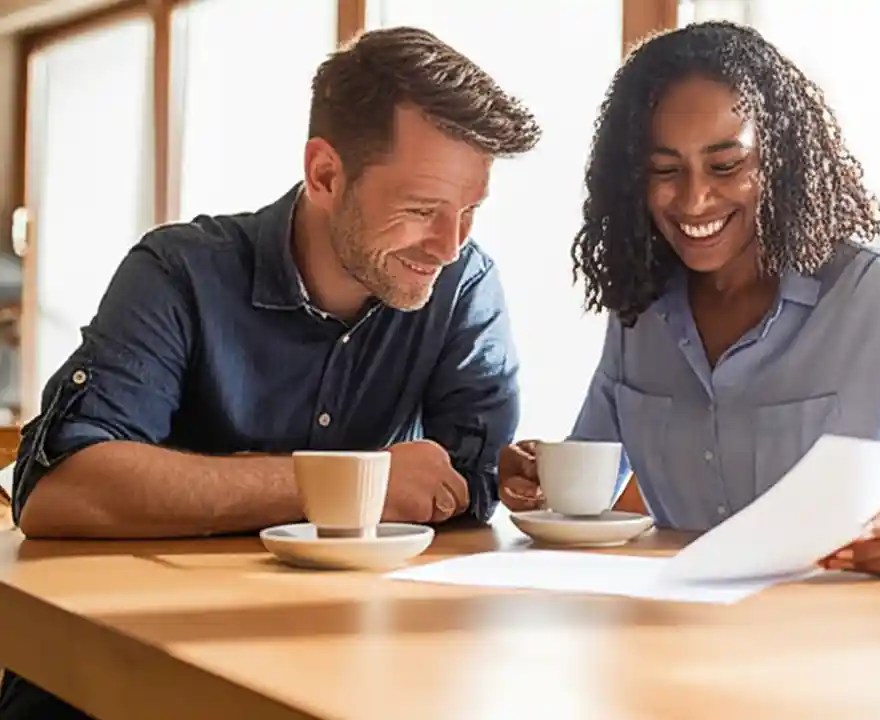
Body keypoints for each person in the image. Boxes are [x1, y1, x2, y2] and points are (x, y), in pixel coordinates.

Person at [1, 27, 538, 718]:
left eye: (469, 212)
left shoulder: (460, 285)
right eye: (421, 210)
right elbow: (60, 492)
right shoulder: (179, 273)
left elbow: (460, 489)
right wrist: (347, 483)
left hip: (335, 667)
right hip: (111, 674)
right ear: (324, 175)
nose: (448, 245)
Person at [498, 21, 880, 577]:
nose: (694, 200)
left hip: (836, 641)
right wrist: (538, 474)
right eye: (664, 170)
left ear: (779, 159)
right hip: (670, 640)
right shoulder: (640, 309)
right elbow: (591, 478)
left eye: (726, 166)